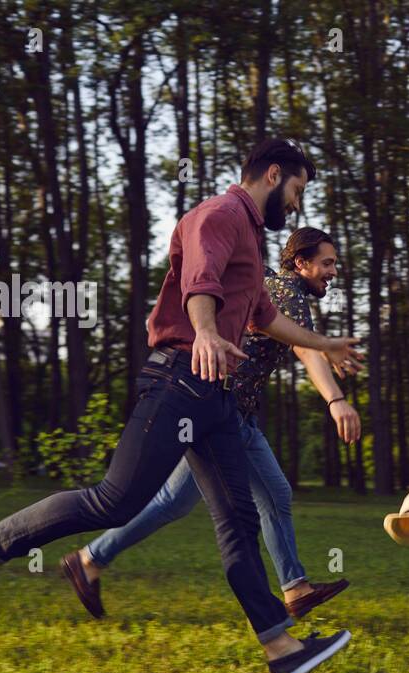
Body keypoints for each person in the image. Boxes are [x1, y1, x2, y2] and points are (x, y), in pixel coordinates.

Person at [0, 138, 364, 673]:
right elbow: (197, 279)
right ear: (272, 175)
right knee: (117, 500)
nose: (297, 204)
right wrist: (205, 329)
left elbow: (263, 318)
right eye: (296, 190)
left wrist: (324, 345)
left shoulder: (251, 237)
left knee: (239, 521)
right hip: (179, 379)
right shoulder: (221, 214)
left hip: (218, 398)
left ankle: (282, 647)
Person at [61, 227, 360, 622]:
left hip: (227, 409)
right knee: (262, 498)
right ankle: (293, 591)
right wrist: (336, 400)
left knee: (184, 501)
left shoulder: (270, 281)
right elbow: (304, 347)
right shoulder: (290, 292)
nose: (332, 272)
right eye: (326, 263)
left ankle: (90, 560)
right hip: (224, 411)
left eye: (334, 264)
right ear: (301, 263)